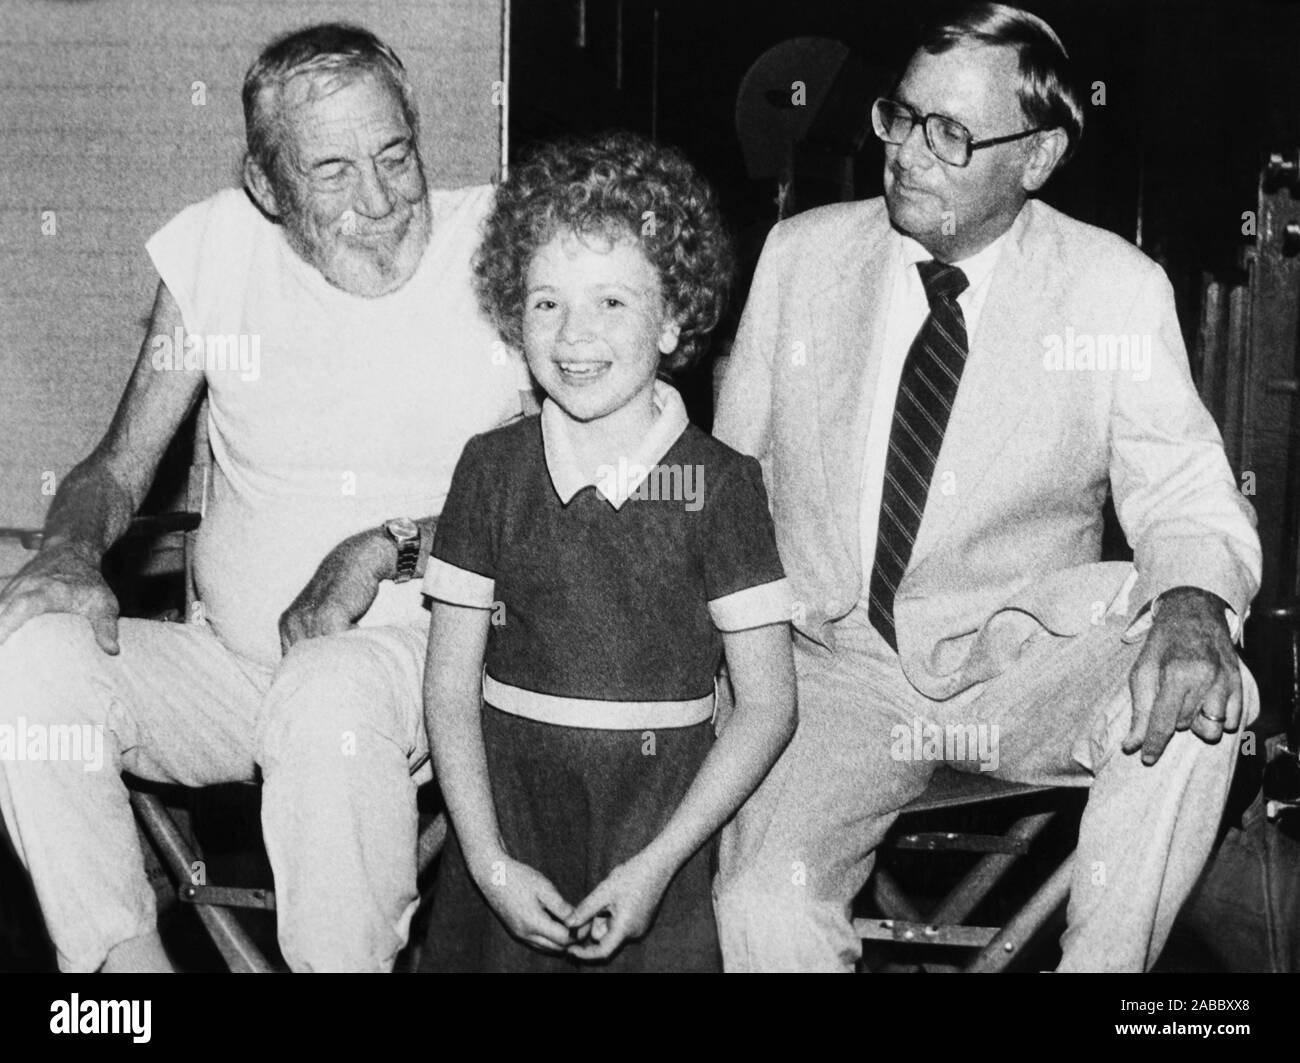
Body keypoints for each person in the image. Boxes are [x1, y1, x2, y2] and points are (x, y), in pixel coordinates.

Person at [712, 2, 1262, 972]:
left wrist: (1190, 603)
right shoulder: (798, 260)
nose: (907, 155)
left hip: (1020, 659)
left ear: (1038, 158)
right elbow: (725, 488)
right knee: (763, 900)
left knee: (1201, 698)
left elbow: (1185, 488)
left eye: (951, 133)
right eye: (901, 115)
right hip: (832, 666)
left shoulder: (1111, 289)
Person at [0, 23, 528, 972]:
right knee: (27, 661)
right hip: (239, 671)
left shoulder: (504, 243)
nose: (380, 199)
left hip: (441, 662)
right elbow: (117, 469)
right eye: (331, 172)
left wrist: (390, 544)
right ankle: (127, 986)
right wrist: (73, 550)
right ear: (265, 186)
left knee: (326, 694)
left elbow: (596, 484)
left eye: (395, 153)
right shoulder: (218, 251)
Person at [418, 132, 797, 972]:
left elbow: (768, 705)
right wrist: (489, 863)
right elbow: (448, 691)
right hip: (508, 828)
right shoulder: (491, 468)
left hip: (657, 831)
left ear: (674, 319)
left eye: (612, 303)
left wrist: (659, 865)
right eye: (546, 301)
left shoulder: (721, 485)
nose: (573, 334)